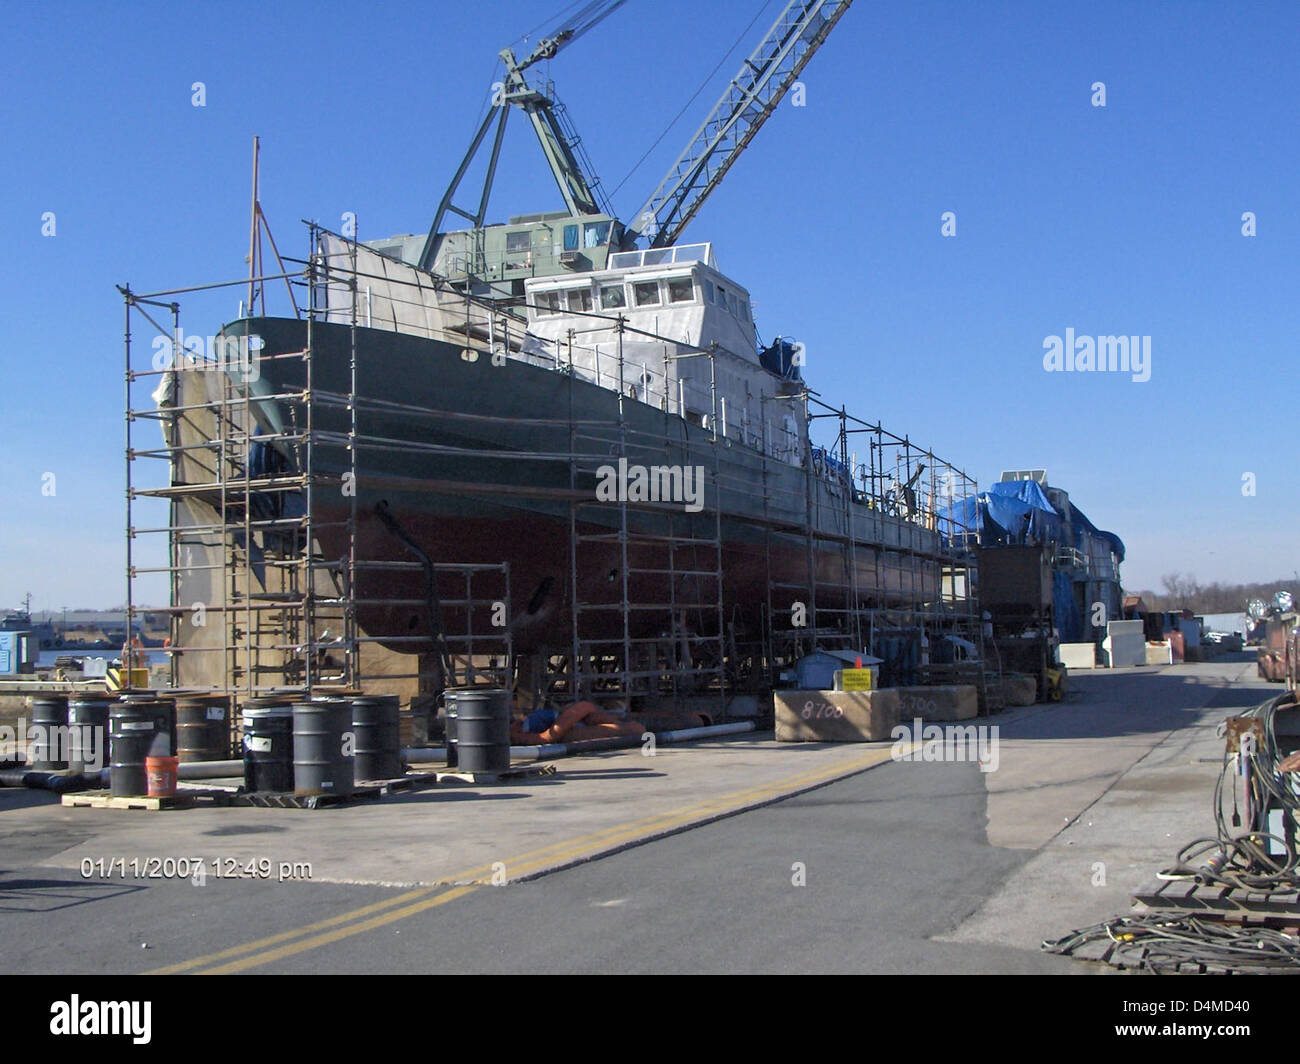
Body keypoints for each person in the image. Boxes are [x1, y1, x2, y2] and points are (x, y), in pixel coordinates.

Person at [510, 700, 643, 745]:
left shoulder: (581, 720)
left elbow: (549, 736)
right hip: (549, 726)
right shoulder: (583, 711)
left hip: (552, 728)